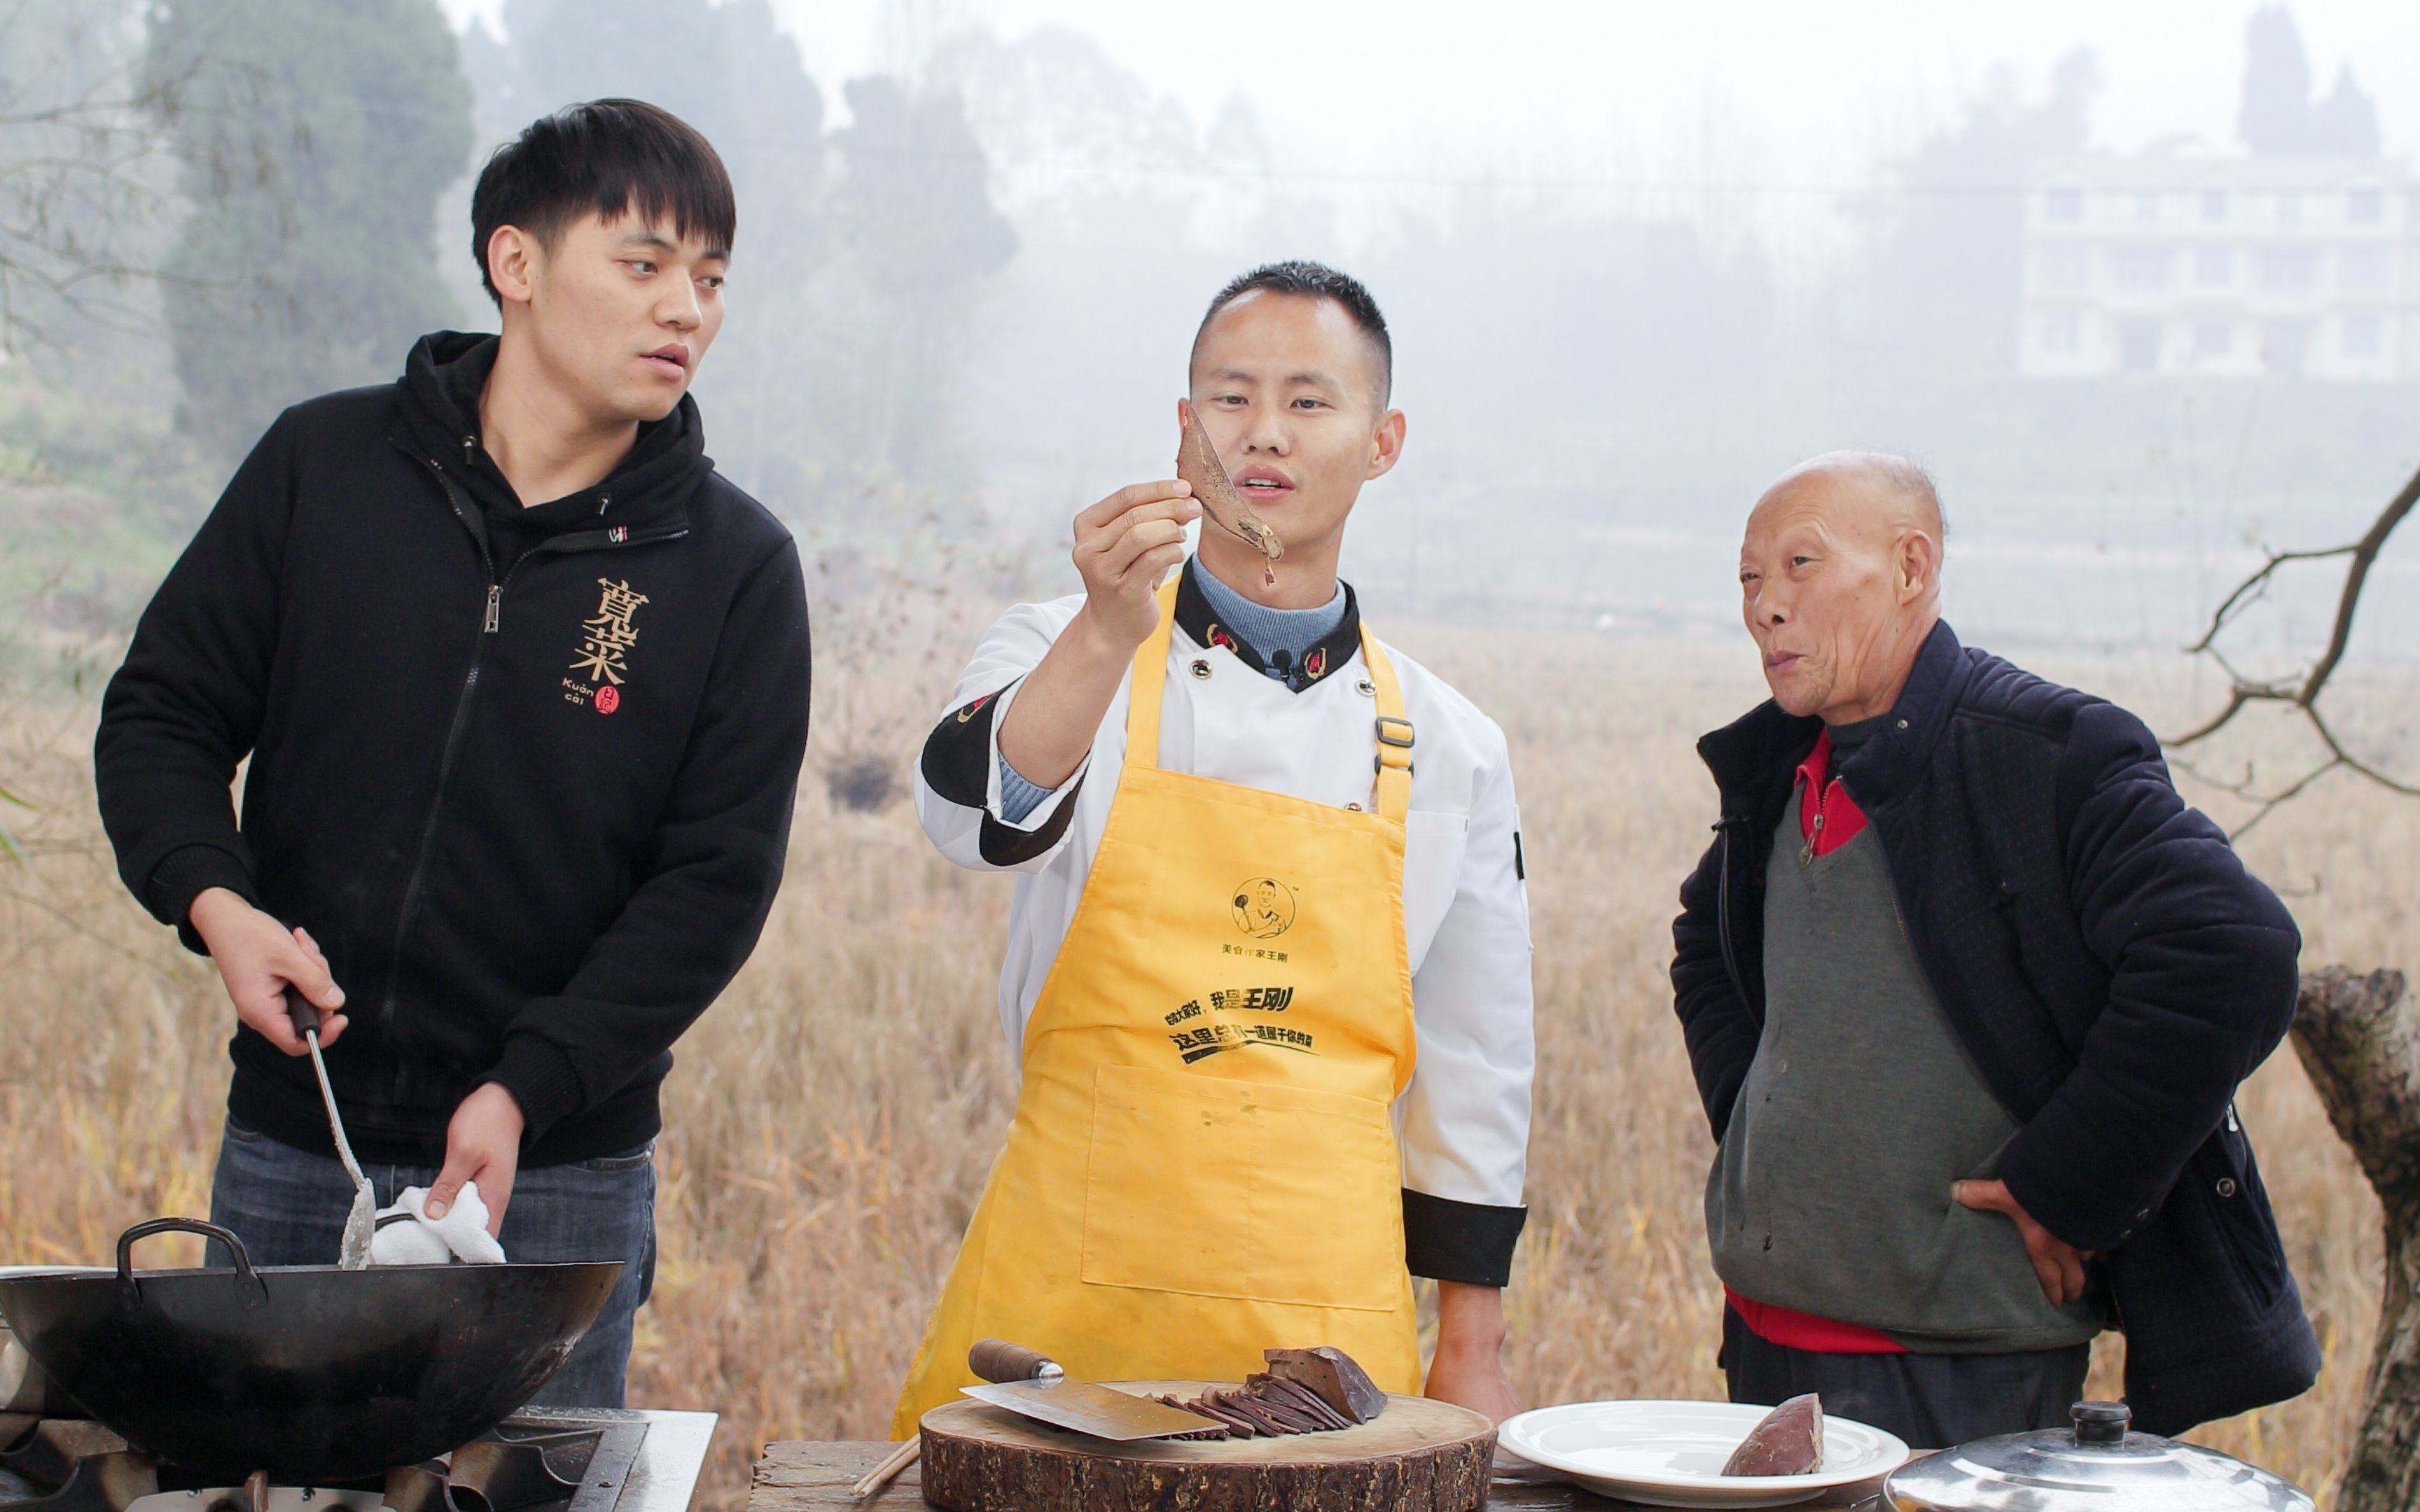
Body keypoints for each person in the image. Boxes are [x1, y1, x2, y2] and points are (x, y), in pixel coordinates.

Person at [92, 99, 811, 1407]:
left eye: (709, 280)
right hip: (296, 1138)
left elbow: (713, 886)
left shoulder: (736, 568)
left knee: (523, 1493)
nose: (686, 311)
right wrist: (221, 906)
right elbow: (162, 715)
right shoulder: (324, 465)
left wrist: (528, 1089)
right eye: (644, 265)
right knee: (263, 1481)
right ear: (515, 264)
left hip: (554, 1175)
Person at [891, 261, 1534, 1434]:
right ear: (1186, 433)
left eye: (1309, 400)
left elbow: (1477, 1055)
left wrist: (1473, 1346)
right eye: (1231, 399)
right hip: (1058, 1317)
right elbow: (970, 819)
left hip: (1331, 1338)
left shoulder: (1451, 745)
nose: (1265, 436)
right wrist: (1101, 632)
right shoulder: (1065, 644)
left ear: (1382, 441)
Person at [1670, 451, 2318, 1446]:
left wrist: (2072, 1179)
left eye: (1801, 565)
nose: (1765, 607)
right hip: (1764, 1340)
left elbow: (2232, 954)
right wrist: (1755, 1120)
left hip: (1960, 1369)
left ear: (1911, 567)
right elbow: (1703, 948)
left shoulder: (2042, 754)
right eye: (1750, 579)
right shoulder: (1782, 771)